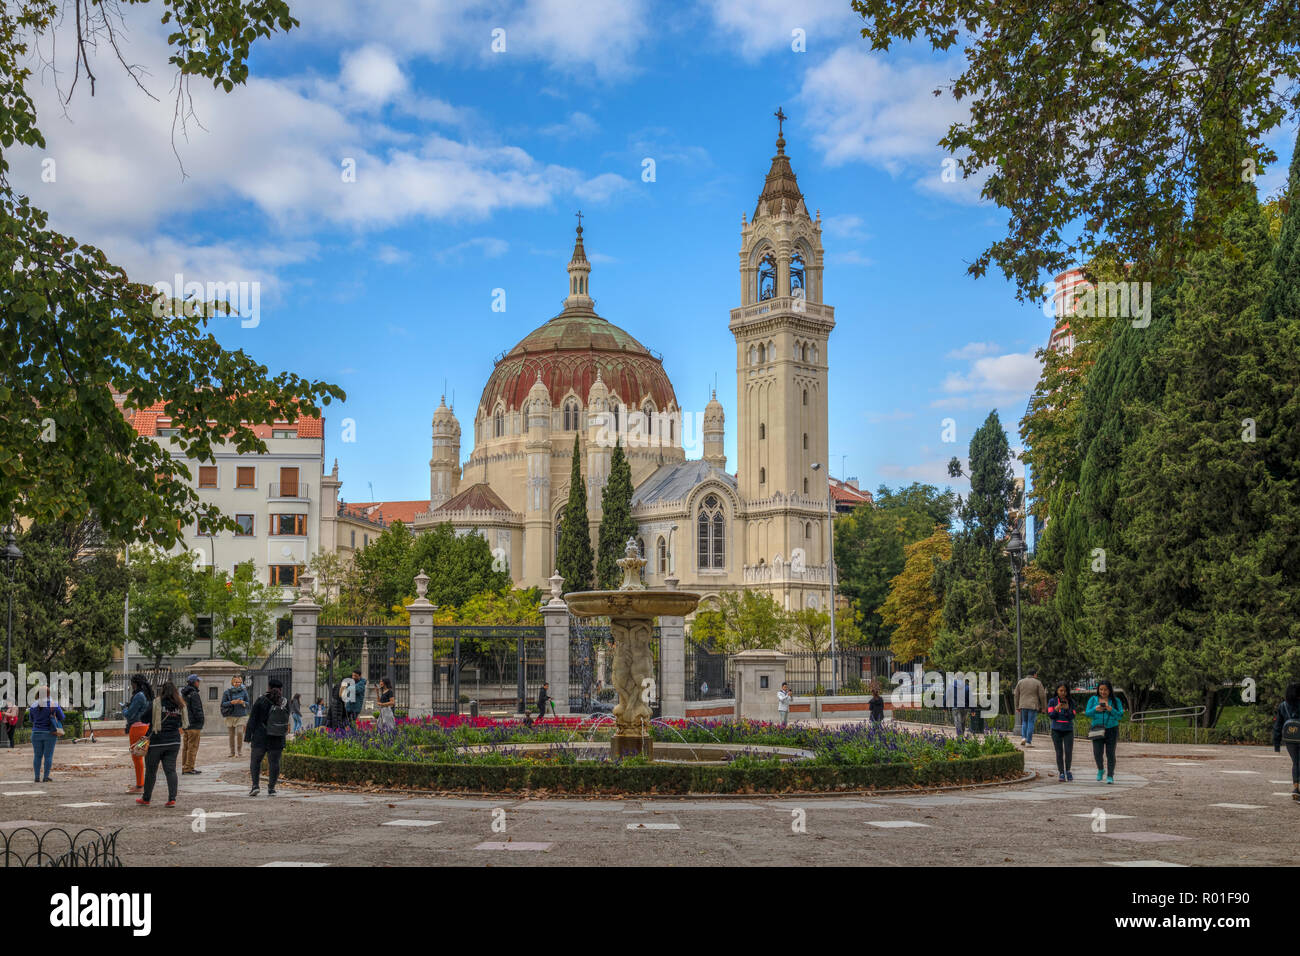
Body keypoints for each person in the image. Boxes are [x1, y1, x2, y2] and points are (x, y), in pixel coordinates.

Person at [137, 681, 186, 807]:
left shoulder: (156, 703)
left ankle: (146, 798)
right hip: (174, 741)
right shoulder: (180, 705)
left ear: (162, 691)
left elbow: (144, 718)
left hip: (156, 742)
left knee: (151, 771)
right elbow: (181, 723)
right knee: (170, 770)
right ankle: (172, 799)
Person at [245, 678, 290, 796]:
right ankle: (271, 788)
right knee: (274, 763)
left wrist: (248, 737)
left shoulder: (260, 700)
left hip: (260, 737)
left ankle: (255, 786)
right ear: (281, 689)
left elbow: (252, 719)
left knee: (255, 762)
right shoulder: (284, 702)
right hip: (277, 737)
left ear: (269, 688)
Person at [1085, 679, 1124, 784]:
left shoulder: (1116, 701)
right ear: (1098, 690)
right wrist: (1095, 709)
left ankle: (1110, 775)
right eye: (1101, 689)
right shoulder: (1093, 699)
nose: (1103, 692)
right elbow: (1087, 713)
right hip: (1097, 729)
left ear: (1110, 690)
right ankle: (1100, 769)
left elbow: (1120, 715)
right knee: (1097, 753)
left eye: (1105, 690)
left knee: (1110, 753)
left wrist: (1111, 709)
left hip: (1112, 729)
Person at [122, 674, 154, 794]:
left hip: (137, 728)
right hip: (146, 727)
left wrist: (124, 709)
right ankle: (144, 784)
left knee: (137, 756)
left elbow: (130, 714)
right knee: (145, 756)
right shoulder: (148, 695)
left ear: (135, 683)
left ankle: (140, 785)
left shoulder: (139, 696)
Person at [29, 685, 65, 783]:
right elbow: (62, 717)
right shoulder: (53, 704)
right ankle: (45, 777)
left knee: (37, 756)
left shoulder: (33, 705)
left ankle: (37, 777)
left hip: (36, 733)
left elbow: (31, 719)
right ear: (48, 694)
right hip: (50, 733)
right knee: (48, 756)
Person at [1272, 682, 1300, 802]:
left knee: (1296, 762)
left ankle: (1296, 788)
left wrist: (1277, 744)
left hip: (1290, 739)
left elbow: (1277, 726)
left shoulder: (1283, 705)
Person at [1047, 683, 1077, 782]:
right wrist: (1057, 708)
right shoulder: (1052, 701)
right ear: (1057, 691)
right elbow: (1051, 715)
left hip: (1068, 730)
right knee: (1059, 752)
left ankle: (1068, 770)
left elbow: (1072, 716)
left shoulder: (1071, 701)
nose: (1063, 693)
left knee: (1068, 752)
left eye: (1065, 691)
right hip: (1056, 730)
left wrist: (1068, 709)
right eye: (1061, 691)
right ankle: (1061, 772)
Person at [1013, 667, 1048, 748]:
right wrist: (1044, 707)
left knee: (1024, 722)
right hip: (1033, 705)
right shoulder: (1038, 682)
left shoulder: (1020, 682)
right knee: (1031, 722)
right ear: (1035, 674)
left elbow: (1016, 694)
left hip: (1023, 705)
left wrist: (1017, 706)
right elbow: (1042, 696)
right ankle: (1028, 741)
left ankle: (1023, 738)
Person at [220, 675, 251, 758]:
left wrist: (242, 702)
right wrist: (231, 702)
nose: (238, 683)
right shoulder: (227, 692)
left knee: (240, 732)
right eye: (236, 682)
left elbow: (248, 703)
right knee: (231, 735)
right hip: (230, 716)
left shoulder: (244, 692)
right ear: (232, 682)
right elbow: (223, 704)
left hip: (241, 715)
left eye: (239, 682)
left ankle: (239, 750)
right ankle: (232, 752)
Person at [180, 674, 205, 775]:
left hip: (186, 724)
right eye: (198, 681)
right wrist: (201, 720)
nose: (199, 683)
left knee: (186, 747)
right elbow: (197, 709)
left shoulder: (184, 694)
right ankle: (189, 767)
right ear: (194, 682)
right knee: (193, 747)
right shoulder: (194, 694)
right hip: (194, 724)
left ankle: (185, 765)